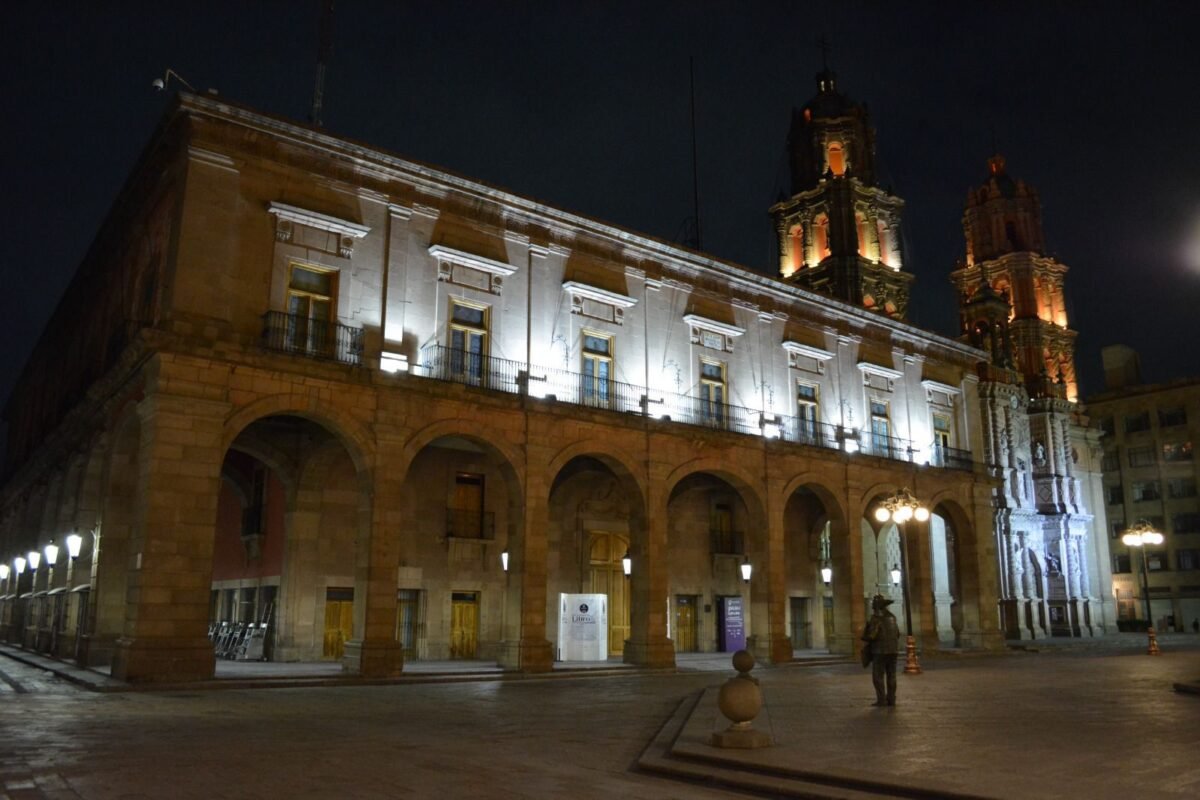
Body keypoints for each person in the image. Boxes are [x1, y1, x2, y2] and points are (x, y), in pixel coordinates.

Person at [862, 594, 901, 706]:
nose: (873, 607)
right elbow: (897, 634)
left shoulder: (876, 618)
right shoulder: (892, 617)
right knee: (892, 675)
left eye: (874, 605)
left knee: (878, 675)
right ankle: (891, 699)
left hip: (880, 651)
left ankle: (881, 700)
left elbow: (871, 636)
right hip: (893, 650)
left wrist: (865, 631)